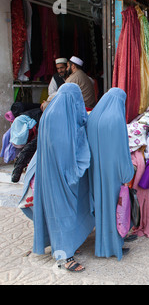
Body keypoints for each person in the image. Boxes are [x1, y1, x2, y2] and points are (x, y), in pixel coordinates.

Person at [32, 83, 95, 272]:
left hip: (47, 174)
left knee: (53, 211)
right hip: (63, 175)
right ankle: (65, 257)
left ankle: (57, 246)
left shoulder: (49, 114)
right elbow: (72, 151)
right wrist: (76, 172)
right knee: (64, 213)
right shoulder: (64, 118)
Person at [86, 87, 135, 261]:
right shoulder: (116, 119)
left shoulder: (93, 117)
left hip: (95, 171)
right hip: (112, 173)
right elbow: (121, 151)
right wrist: (127, 174)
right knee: (114, 209)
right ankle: (112, 246)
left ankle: (102, 243)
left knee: (101, 207)